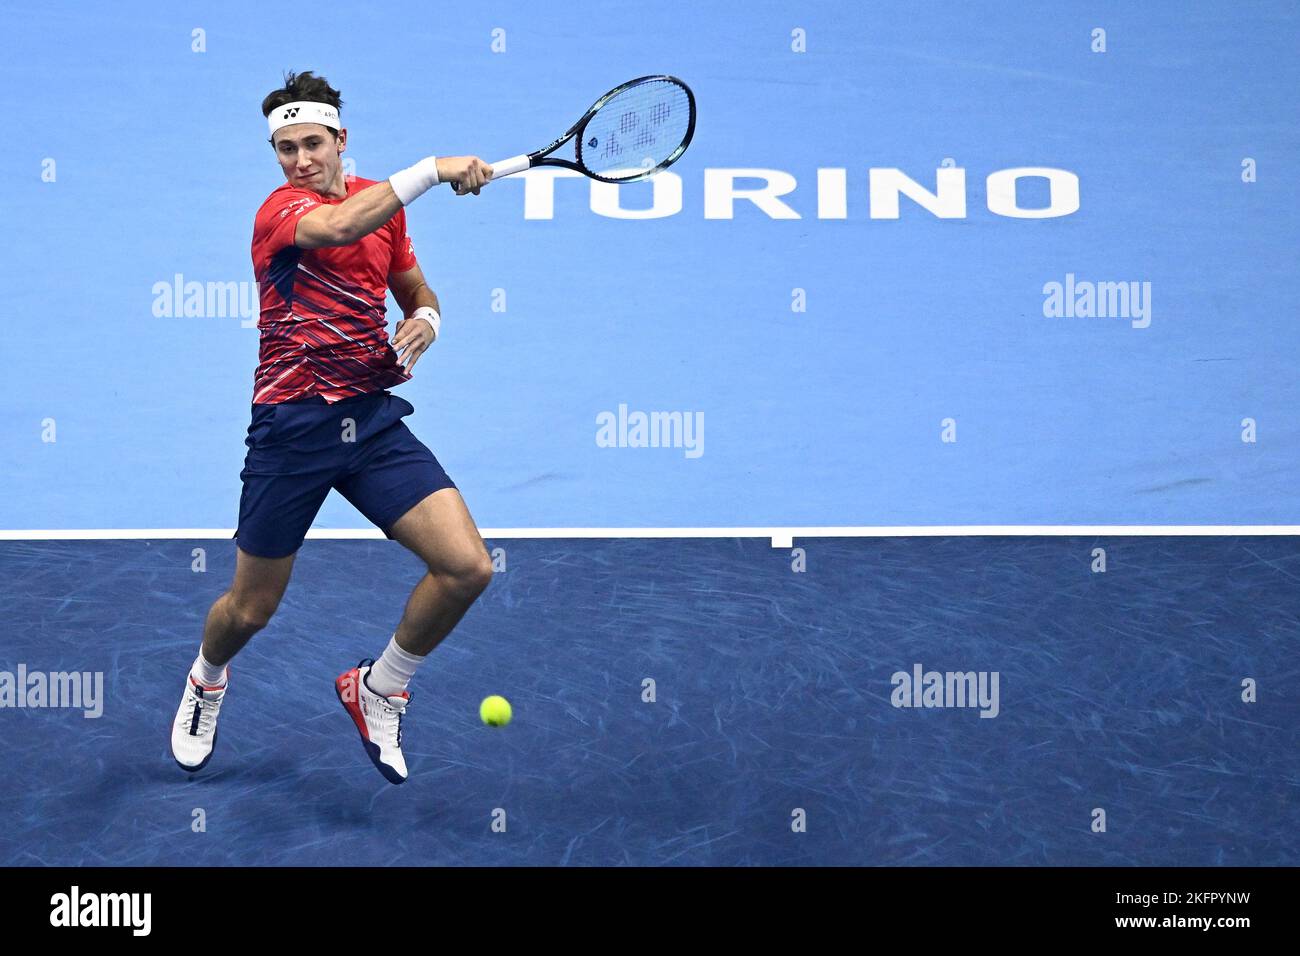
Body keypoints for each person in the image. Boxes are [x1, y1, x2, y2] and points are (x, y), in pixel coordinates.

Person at [171, 70, 495, 785]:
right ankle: (206, 679)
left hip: (371, 421)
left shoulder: (384, 205)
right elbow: (342, 225)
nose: (298, 160)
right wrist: (438, 169)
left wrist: (428, 318)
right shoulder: (280, 213)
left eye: (312, 144)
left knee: (468, 567)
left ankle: (379, 687)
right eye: (284, 148)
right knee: (249, 610)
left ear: (341, 140)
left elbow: (413, 285)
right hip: (292, 428)